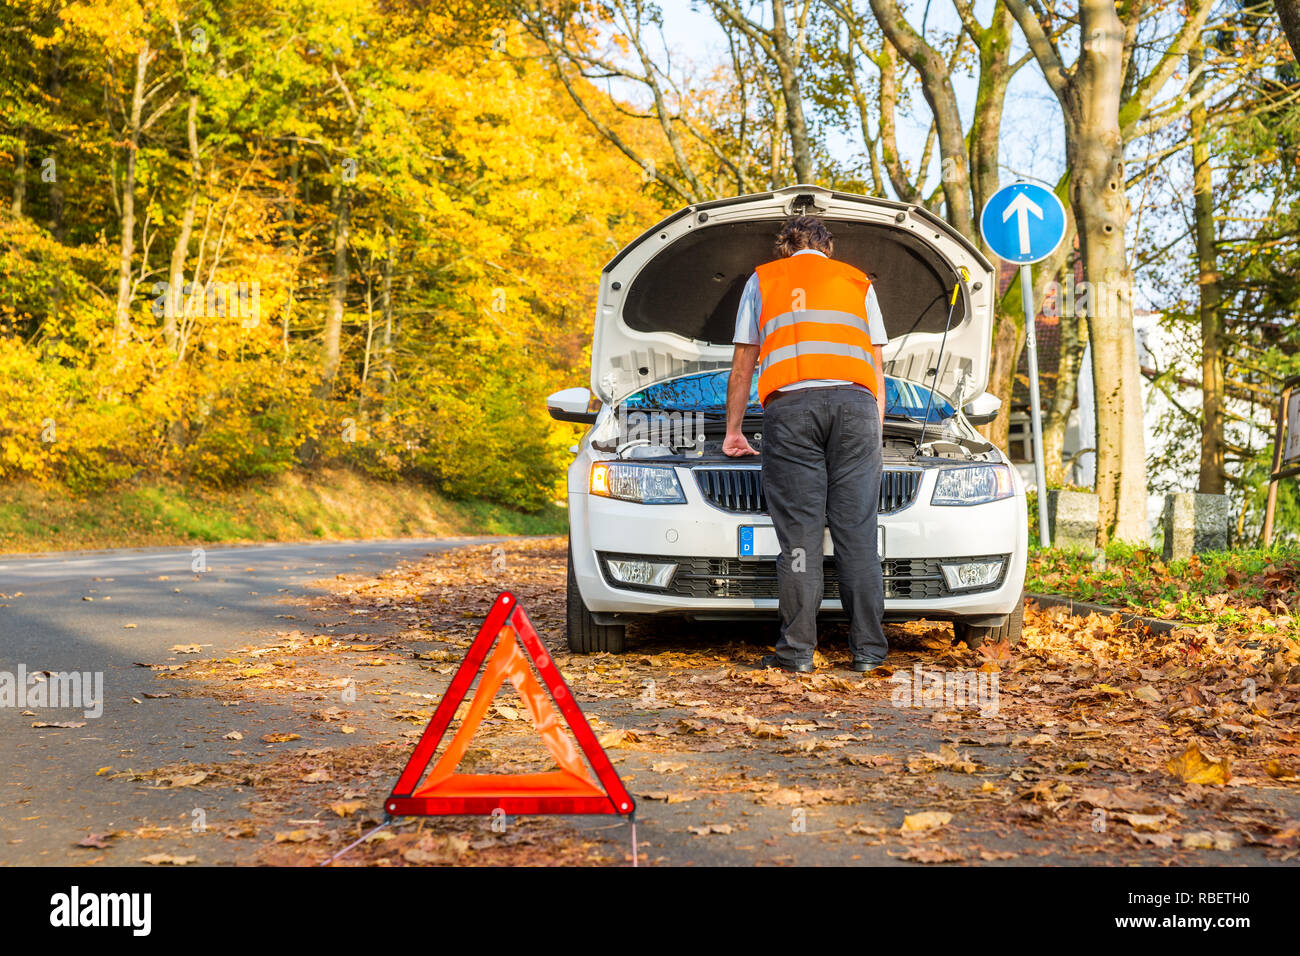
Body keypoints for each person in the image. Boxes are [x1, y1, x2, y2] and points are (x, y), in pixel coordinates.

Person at [722, 215, 889, 673]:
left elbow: (743, 364)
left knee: (800, 538)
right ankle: (870, 654)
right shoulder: (858, 282)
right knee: (858, 536)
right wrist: (873, 432)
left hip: (792, 410)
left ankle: (797, 653)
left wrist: (733, 431)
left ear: (785, 248)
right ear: (827, 248)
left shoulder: (765, 279)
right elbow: (877, 370)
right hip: (857, 409)